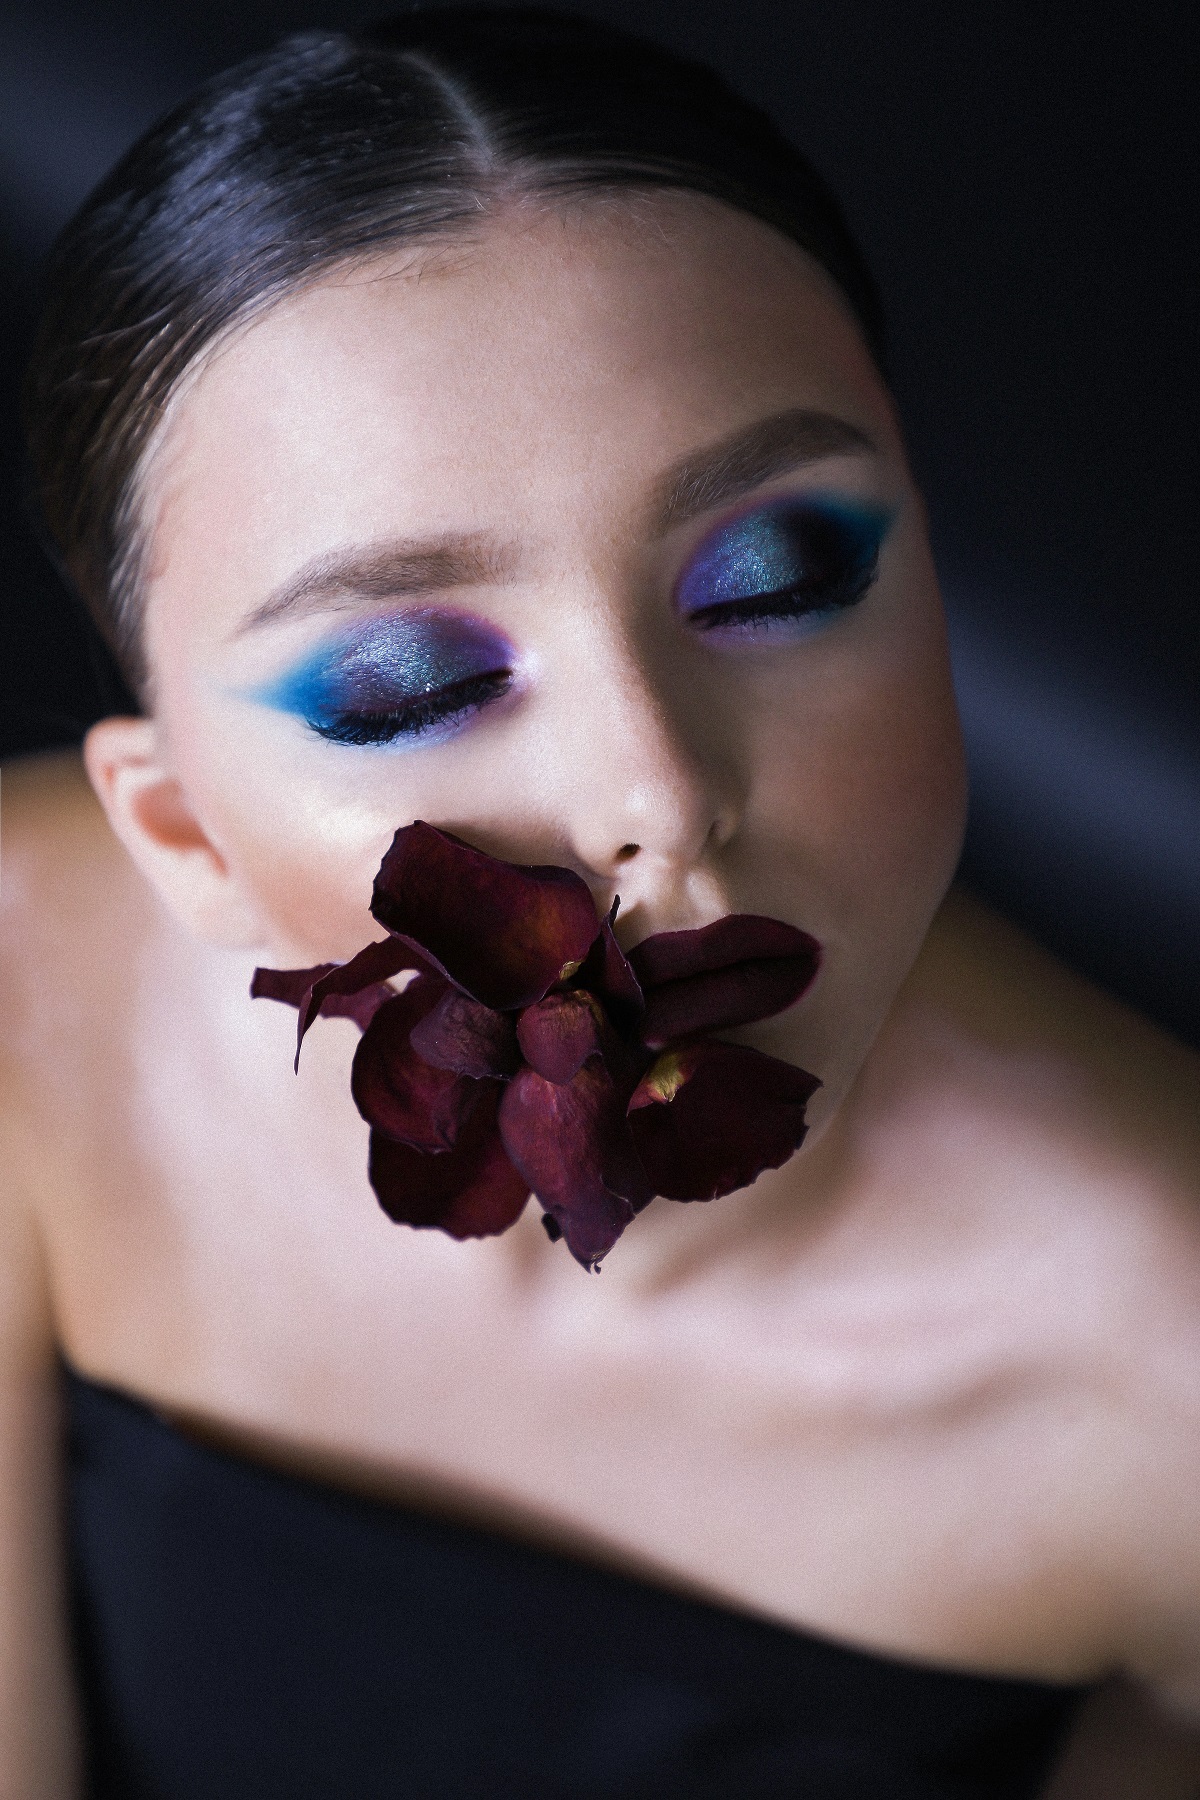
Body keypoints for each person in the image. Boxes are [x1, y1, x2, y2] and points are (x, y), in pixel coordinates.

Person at [2, 9, 1198, 1796]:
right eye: (410, 686)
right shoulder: (21, 987)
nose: (660, 794)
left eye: (777, 571)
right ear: (184, 837)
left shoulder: (1167, 1389)